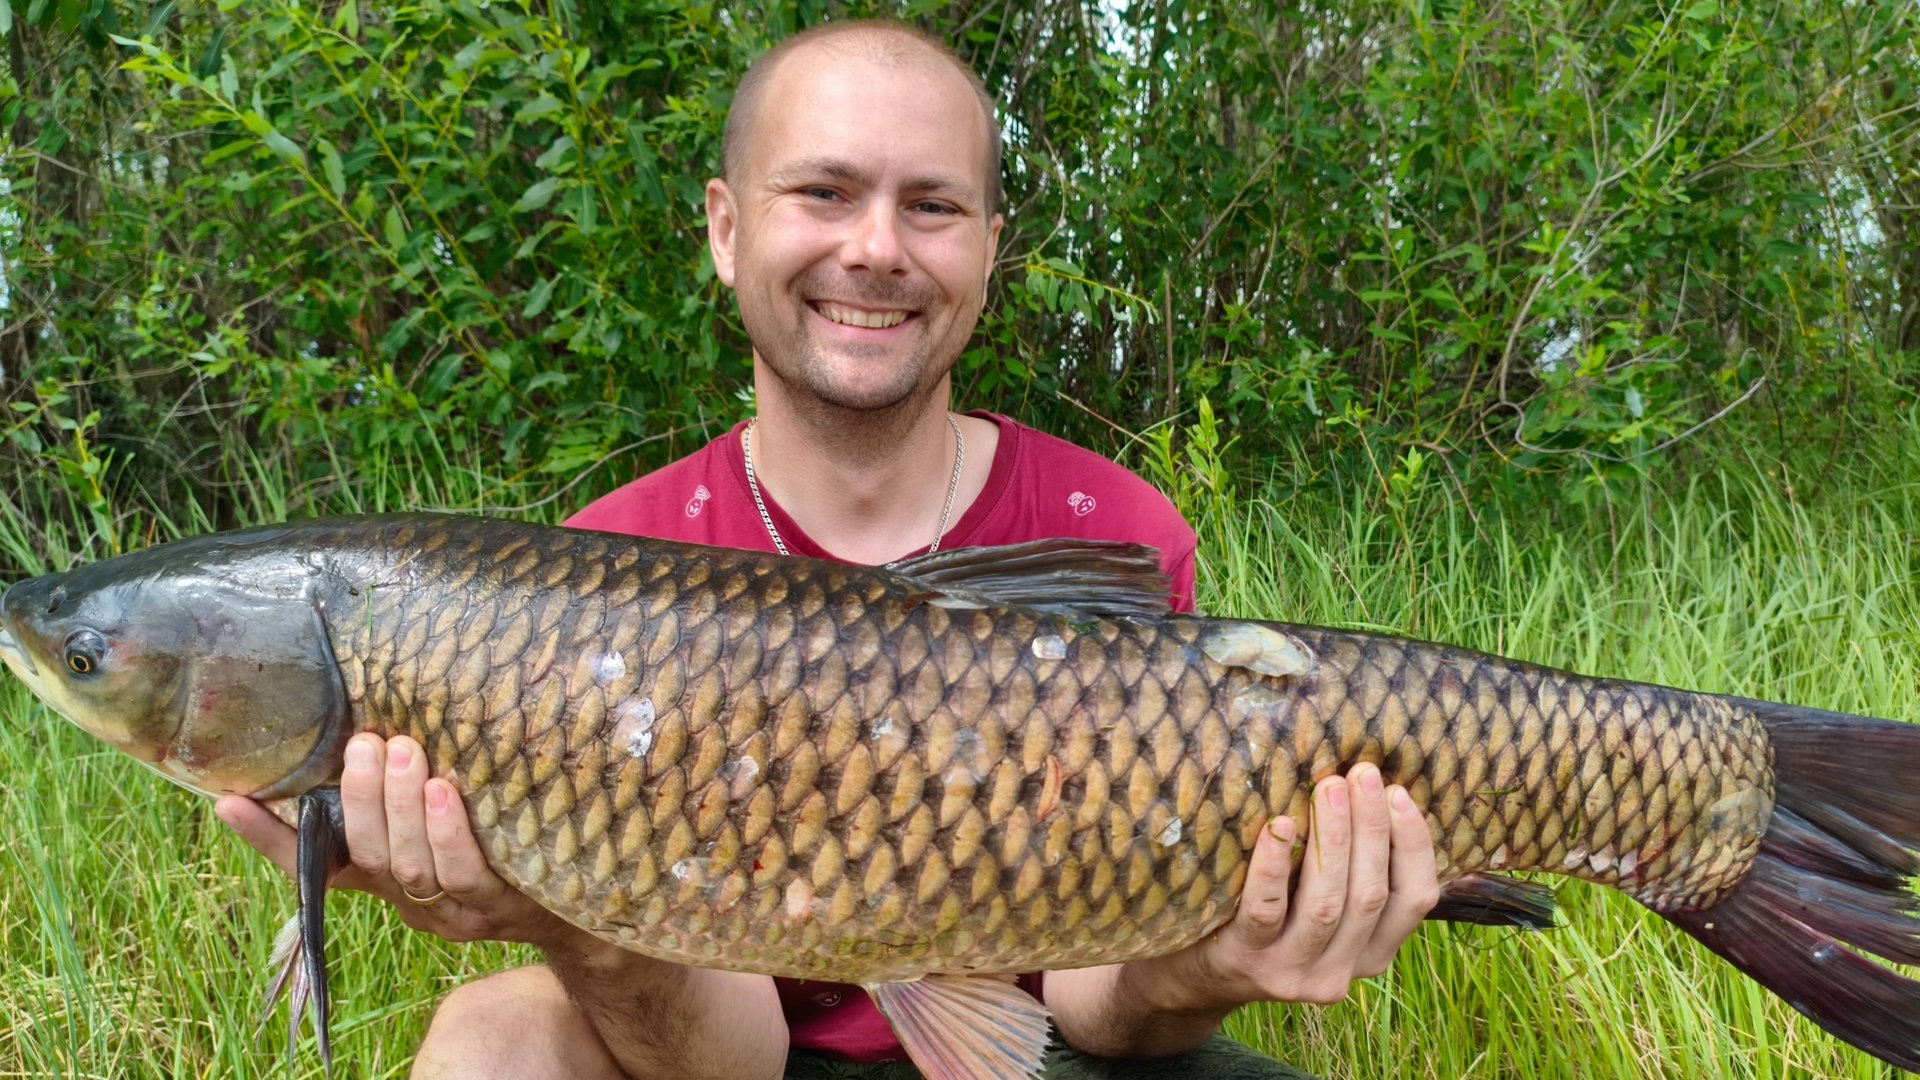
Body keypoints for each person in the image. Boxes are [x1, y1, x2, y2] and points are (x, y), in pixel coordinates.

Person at [217, 19, 1441, 1080]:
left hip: (1026, 1040)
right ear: (724, 228)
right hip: (718, 1045)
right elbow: (732, 1062)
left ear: (988, 247)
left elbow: (1092, 1005)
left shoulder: (1105, 527)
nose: (876, 249)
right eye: (824, 193)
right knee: (496, 1036)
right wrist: (570, 921)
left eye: (932, 205)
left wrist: (1209, 961)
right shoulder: (592, 580)